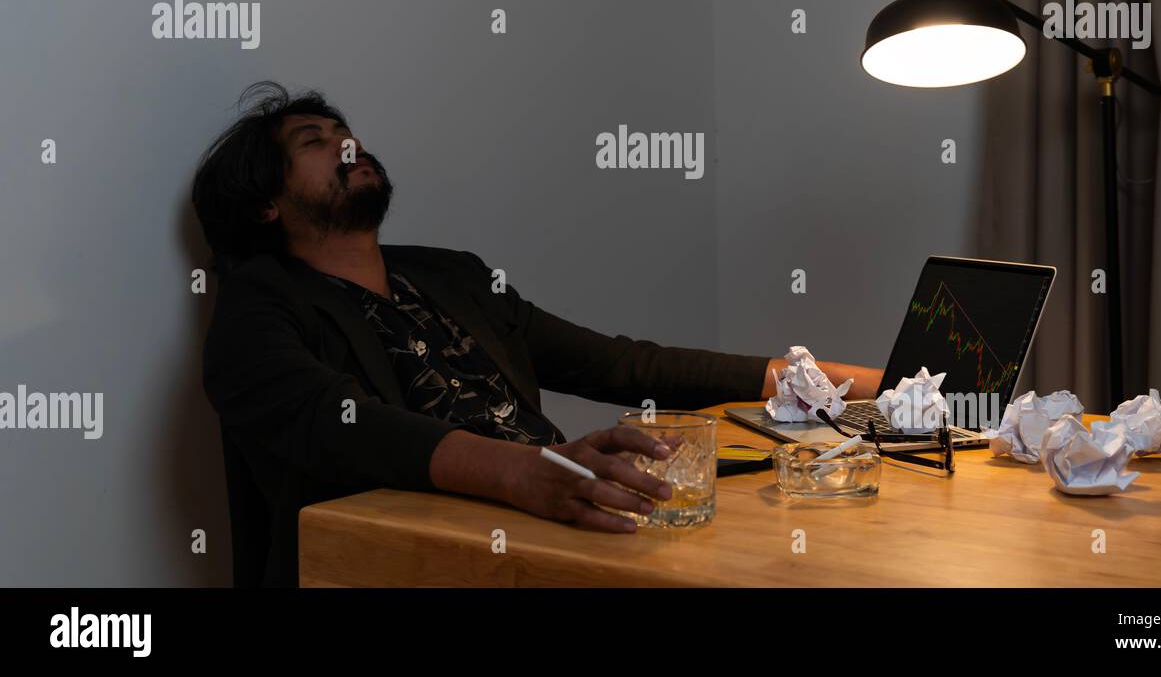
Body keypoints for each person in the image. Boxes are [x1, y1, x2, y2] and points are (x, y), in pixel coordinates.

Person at [191, 81, 882, 586]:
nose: (347, 145)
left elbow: (616, 365)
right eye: (315, 142)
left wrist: (818, 380)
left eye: (349, 135)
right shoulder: (256, 307)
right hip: (424, 558)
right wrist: (531, 471)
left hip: (555, 526)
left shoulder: (450, 276)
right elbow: (340, 425)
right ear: (265, 204)